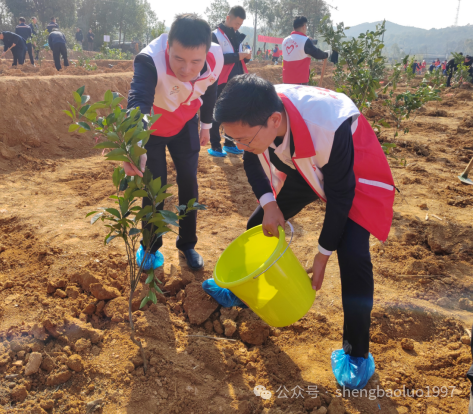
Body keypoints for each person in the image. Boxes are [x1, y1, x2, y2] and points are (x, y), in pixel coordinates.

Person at [212, 73, 395, 390]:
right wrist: (269, 204)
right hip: (301, 162)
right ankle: (245, 292)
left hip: (350, 170)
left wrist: (323, 254)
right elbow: (253, 160)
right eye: (232, 140)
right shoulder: (258, 121)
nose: (239, 147)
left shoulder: (326, 127)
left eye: (244, 139)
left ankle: (357, 354)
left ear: (274, 120)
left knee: (352, 255)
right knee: (258, 225)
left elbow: (340, 196)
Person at [126, 13, 224, 270]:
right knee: (154, 188)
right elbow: (138, 101)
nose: (186, 69)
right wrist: (136, 144)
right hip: (153, 129)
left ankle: (188, 244)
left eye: (196, 62)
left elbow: (210, 85)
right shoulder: (149, 61)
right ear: (168, 46)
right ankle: (149, 246)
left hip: (185, 124)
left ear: (205, 54)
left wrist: (206, 125)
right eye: (178, 58)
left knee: (189, 182)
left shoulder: (215, 57)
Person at [209, 5, 250, 158]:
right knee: (217, 113)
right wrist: (237, 56)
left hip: (237, 80)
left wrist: (246, 56)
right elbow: (216, 59)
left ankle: (230, 143)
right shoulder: (214, 36)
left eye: (240, 24)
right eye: (236, 23)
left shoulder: (238, 36)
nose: (238, 27)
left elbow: (241, 58)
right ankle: (215, 145)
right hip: (220, 81)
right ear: (228, 18)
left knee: (234, 113)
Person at [282, 16, 330, 84]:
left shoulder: (285, 40)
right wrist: (326, 54)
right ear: (304, 26)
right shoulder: (305, 41)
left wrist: (306, 39)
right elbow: (317, 54)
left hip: (286, 80)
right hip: (300, 81)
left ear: (294, 27)